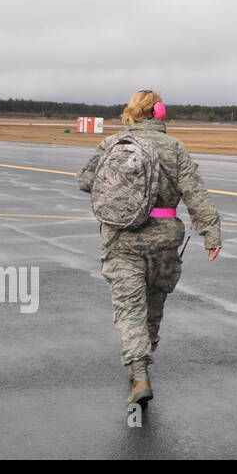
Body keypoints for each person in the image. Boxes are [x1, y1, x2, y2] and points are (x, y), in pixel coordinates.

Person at [77, 89, 222, 407]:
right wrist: (211, 233)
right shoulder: (175, 148)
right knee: (153, 308)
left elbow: (85, 180)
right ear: (159, 113)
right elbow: (195, 193)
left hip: (121, 240)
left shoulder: (113, 144)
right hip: (164, 242)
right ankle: (144, 357)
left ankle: (139, 372)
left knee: (130, 310)